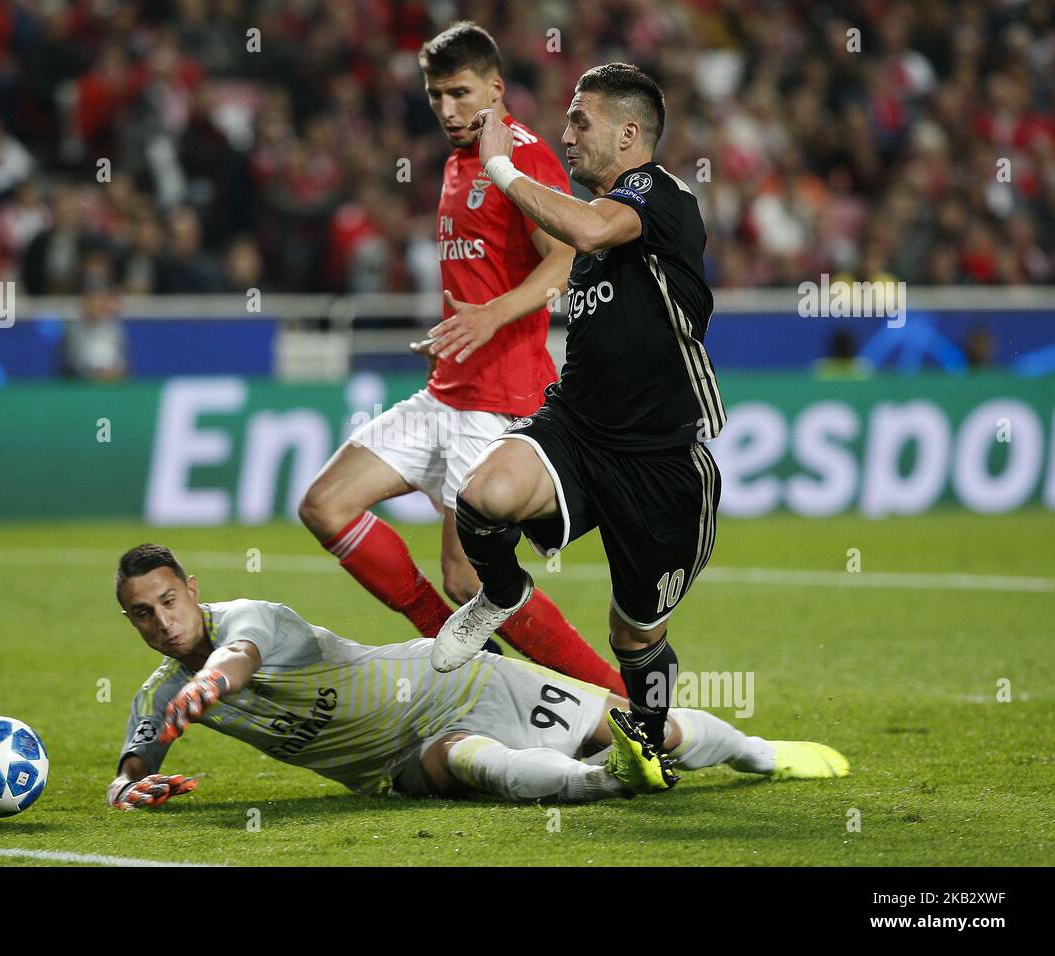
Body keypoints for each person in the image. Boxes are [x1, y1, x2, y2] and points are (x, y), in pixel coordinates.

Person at [298, 22, 625, 694]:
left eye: (461, 93)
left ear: (497, 88)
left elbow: (563, 263)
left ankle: (619, 703)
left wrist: (489, 318)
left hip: (499, 404)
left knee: (467, 579)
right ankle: (461, 661)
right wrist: (459, 332)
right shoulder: (456, 160)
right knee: (325, 505)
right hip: (444, 394)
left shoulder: (525, 158)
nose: (447, 111)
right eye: (435, 96)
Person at [428, 64, 728, 795]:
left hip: (661, 465)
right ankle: (500, 593)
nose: (566, 135)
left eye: (581, 122)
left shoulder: (660, 194)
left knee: (634, 638)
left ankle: (650, 739)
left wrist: (500, 166)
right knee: (485, 493)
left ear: (630, 134)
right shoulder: (593, 221)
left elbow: (590, 226)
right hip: (579, 431)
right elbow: (569, 237)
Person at [104, 544, 848, 809]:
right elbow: (133, 761)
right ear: (133, 623)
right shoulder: (164, 692)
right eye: (144, 614)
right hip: (400, 762)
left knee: (655, 728)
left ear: (194, 590)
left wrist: (213, 686)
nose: (162, 620)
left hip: (447, 681)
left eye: (169, 600)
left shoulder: (255, 618)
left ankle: (761, 753)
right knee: (482, 767)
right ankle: (614, 780)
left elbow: (238, 662)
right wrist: (132, 784)